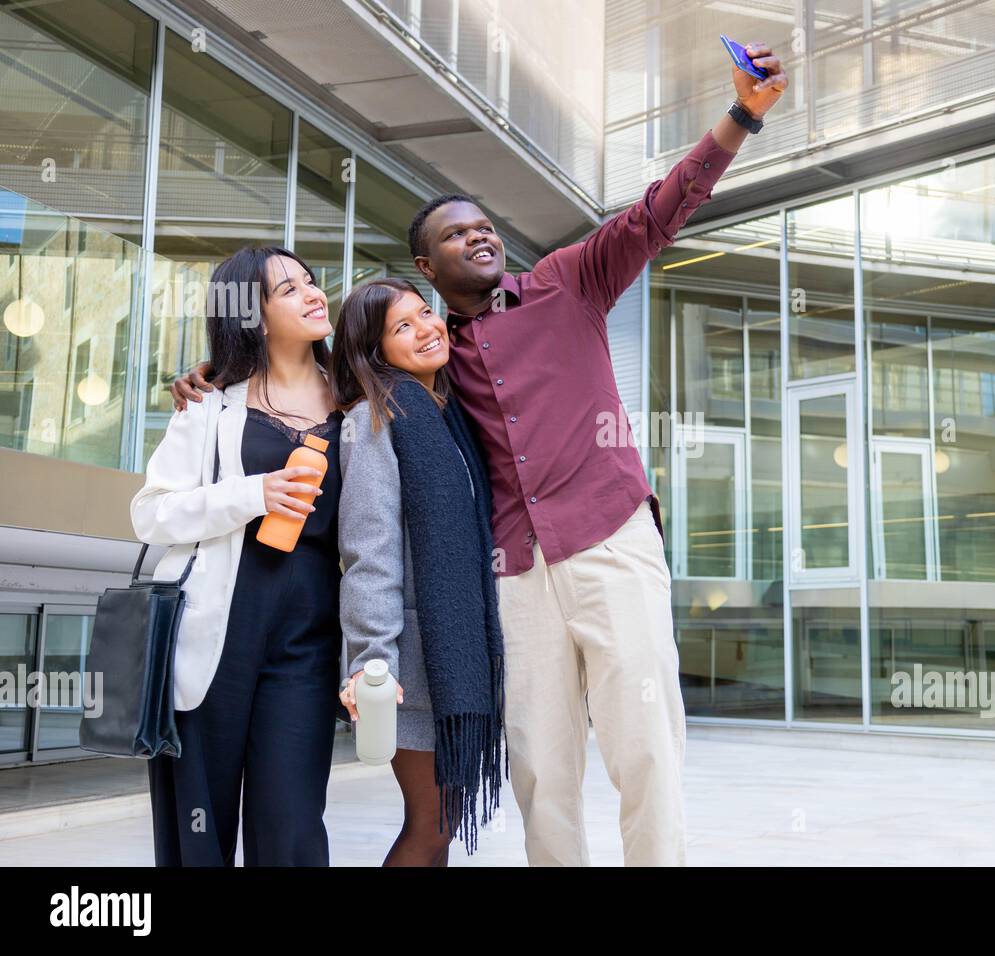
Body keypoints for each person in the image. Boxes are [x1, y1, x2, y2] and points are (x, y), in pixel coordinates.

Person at [172, 42, 788, 867]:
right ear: (429, 267)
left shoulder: (571, 283)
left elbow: (656, 213)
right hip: (517, 575)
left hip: (608, 539)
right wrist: (223, 374)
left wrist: (741, 115)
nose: (481, 239)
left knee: (646, 747)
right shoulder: (431, 365)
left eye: (486, 228)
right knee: (541, 768)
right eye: (458, 236)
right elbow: (337, 375)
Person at [134, 246, 344, 865]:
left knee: (294, 825)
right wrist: (253, 494)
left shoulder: (357, 401)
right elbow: (151, 513)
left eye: (312, 281)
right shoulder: (210, 403)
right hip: (213, 630)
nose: (313, 294)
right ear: (250, 314)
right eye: (289, 291)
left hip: (307, 637)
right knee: (199, 829)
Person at [331, 278, 505, 865]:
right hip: (410, 664)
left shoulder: (448, 416)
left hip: (452, 658)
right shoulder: (374, 419)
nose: (426, 329)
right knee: (428, 824)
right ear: (376, 352)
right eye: (401, 327)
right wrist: (372, 659)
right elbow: (369, 548)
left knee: (443, 823)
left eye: (424, 314)